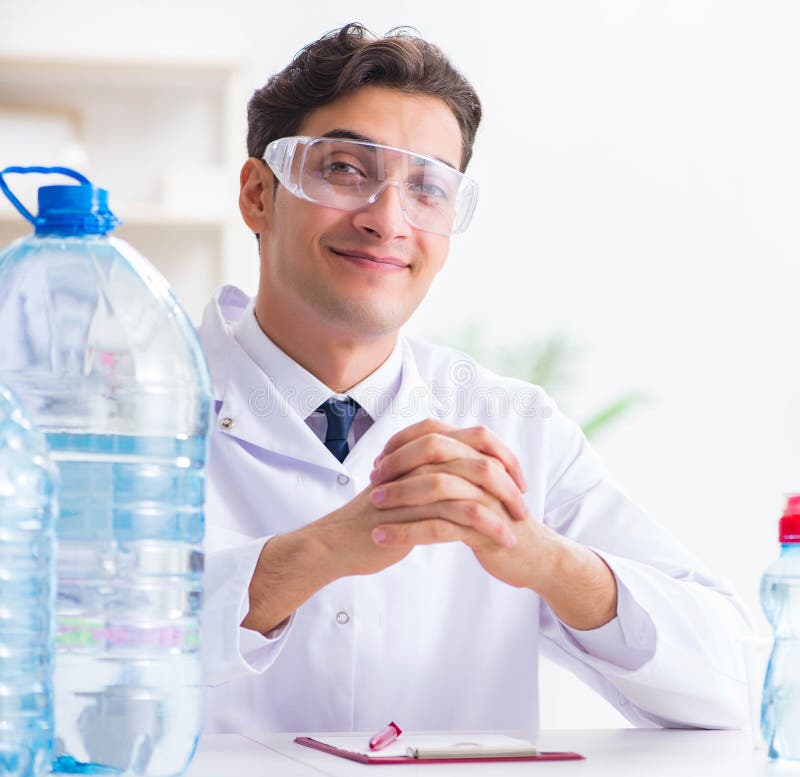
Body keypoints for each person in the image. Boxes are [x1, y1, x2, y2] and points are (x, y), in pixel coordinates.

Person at [199, 22, 749, 736]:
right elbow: (53, 656)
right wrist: (323, 550)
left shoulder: (515, 429)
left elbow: (737, 680)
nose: (388, 219)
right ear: (257, 196)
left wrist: (548, 560)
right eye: (344, 169)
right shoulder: (128, 415)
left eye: (426, 187)